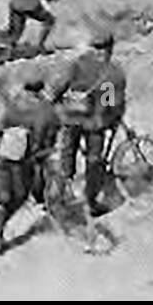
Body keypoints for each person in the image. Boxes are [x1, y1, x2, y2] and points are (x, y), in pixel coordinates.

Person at [50, 29, 127, 217]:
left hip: (72, 117)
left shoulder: (79, 63)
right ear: (111, 47)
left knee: (66, 157)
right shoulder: (112, 72)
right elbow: (111, 103)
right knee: (94, 161)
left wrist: (56, 103)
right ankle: (90, 203)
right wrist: (116, 116)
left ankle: (55, 199)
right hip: (95, 123)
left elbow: (59, 86)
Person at [0, 62, 60, 256]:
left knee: (1, 198)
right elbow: (47, 144)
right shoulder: (48, 112)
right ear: (42, 87)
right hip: (24, 163)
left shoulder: (14, 105)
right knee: (18, 197)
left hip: (2, 156)